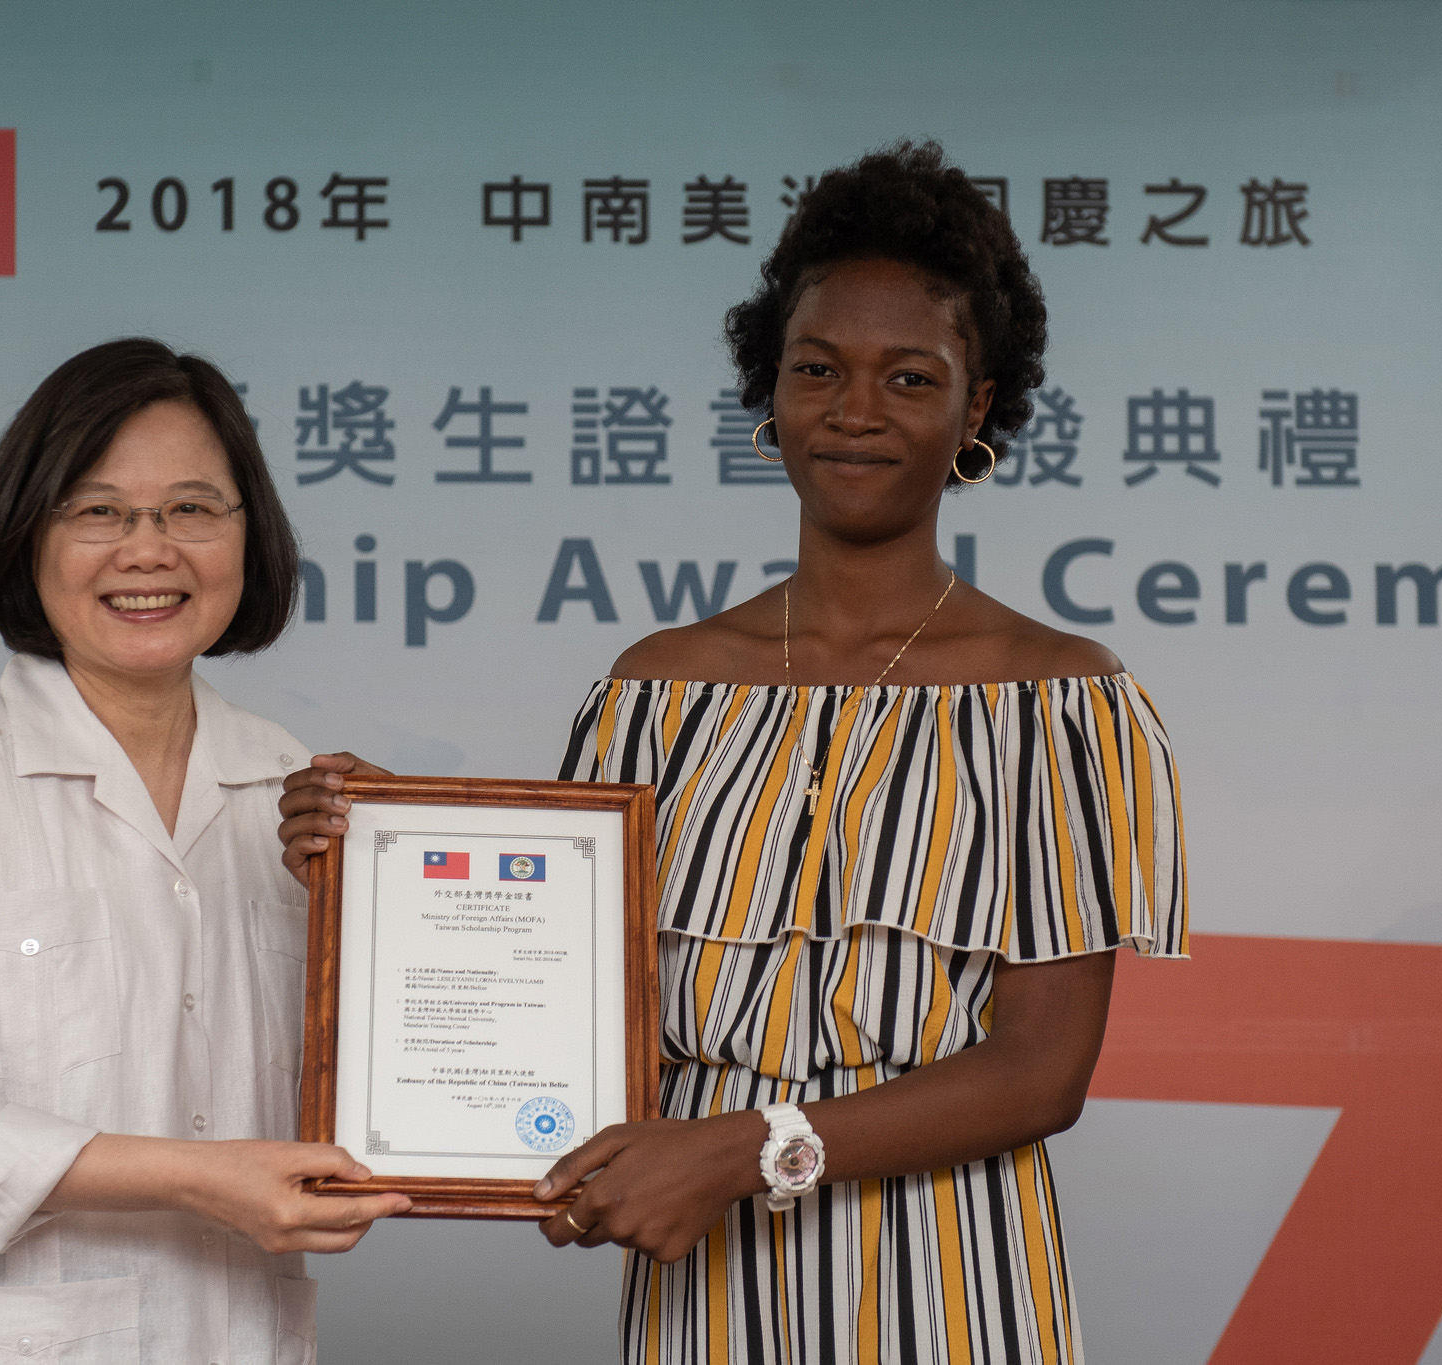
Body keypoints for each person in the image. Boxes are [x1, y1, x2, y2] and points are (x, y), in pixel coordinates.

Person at [279, 143, 1186, 1364]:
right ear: (770, 391)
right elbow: (578, 995)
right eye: (816, 369)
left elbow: (1036, 1076)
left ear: (974, 409)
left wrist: (740, 1149)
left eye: (907, 378)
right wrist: (387, 860)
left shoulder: (1061, 701)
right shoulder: (655, 689)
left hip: (955, 1295)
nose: (853, 410)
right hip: (706, 1298)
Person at [0, 338, 408, 1365]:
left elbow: (368, 1075)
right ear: (26, 535)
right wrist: (191, 1177)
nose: (149, 550)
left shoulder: (290, 787)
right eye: (97, 512)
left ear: (246, 536)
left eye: (191, 508)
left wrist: (410, 879)